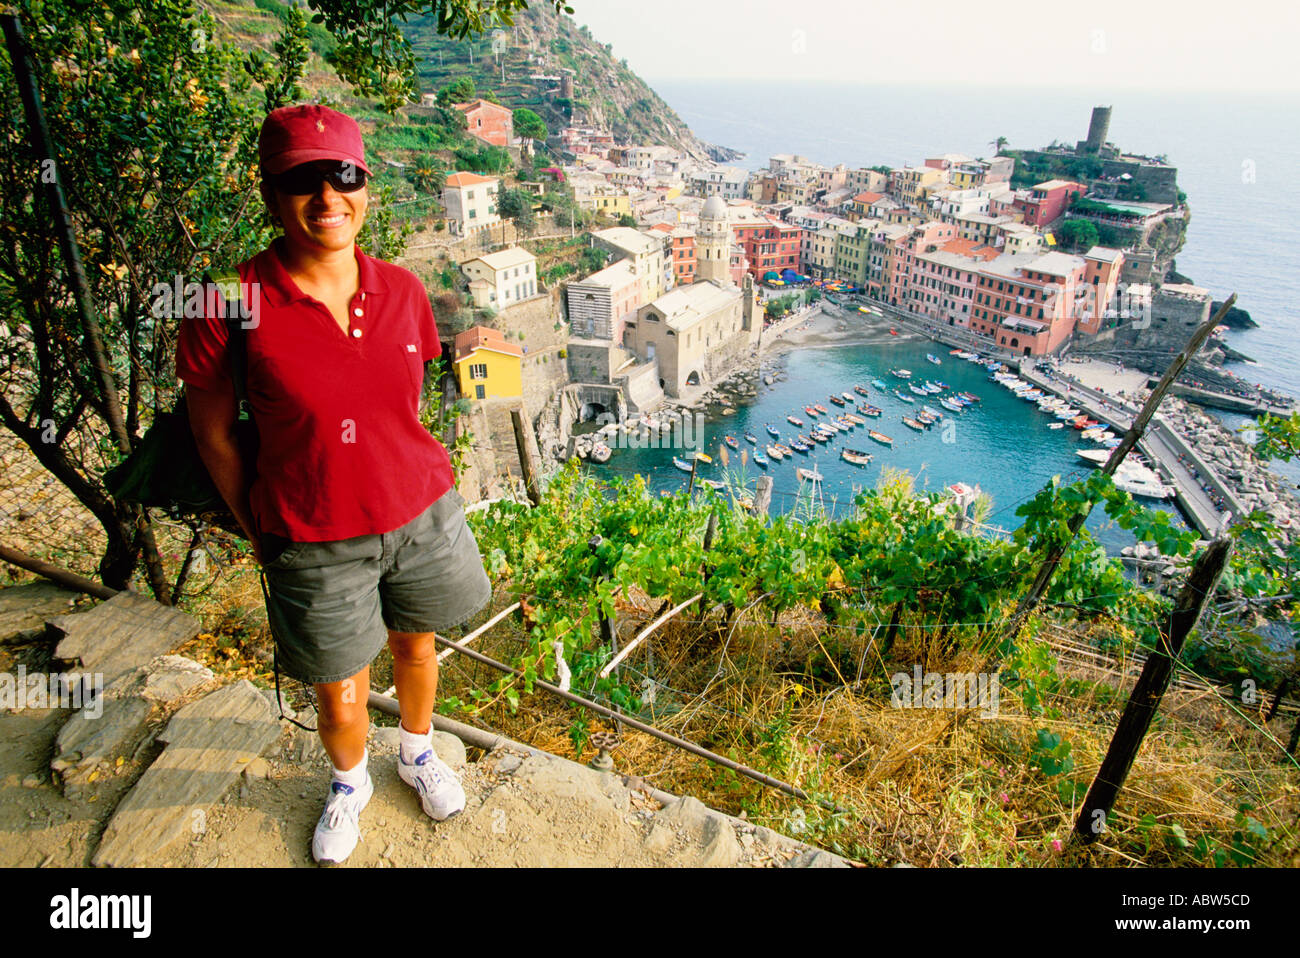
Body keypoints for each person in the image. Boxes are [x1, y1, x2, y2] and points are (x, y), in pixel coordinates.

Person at [177, 104, 491, 865]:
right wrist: (258, 523)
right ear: (269, 193)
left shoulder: (405, 290)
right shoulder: (222, 303)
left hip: (420, 512)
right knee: (339, 688)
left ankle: (416, 752)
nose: (326, 199)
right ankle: (349, 783)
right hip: (311, 531)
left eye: (343, 176)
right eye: (302, 180)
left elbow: (397, 399)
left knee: (419, 649)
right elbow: (212, 432)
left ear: (366, 187)